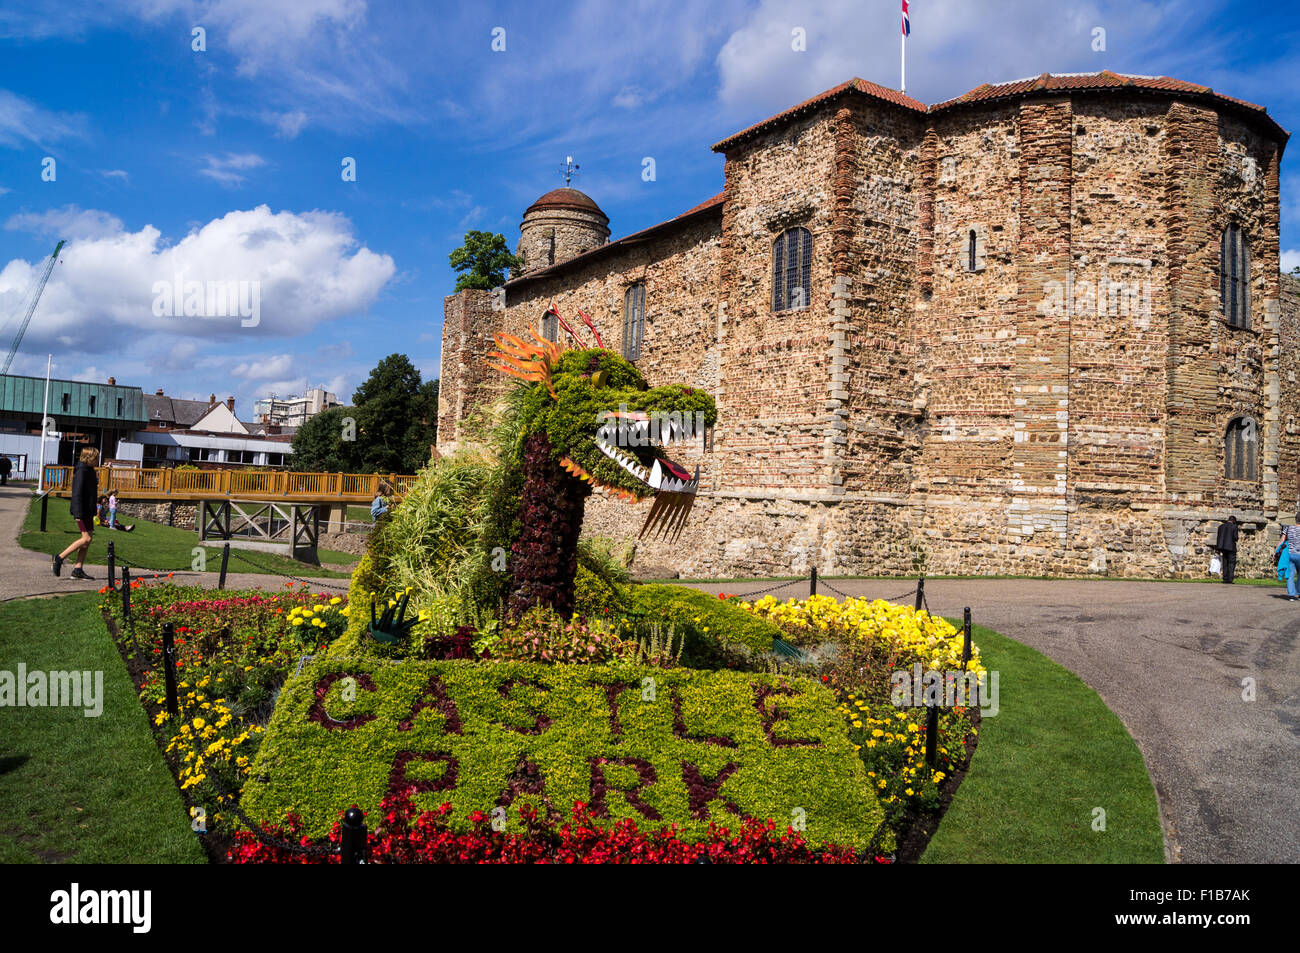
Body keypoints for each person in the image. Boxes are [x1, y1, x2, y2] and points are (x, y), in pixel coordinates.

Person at [54, 447, 100, 580]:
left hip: (88, 510)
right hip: (81, 510)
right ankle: (60, 557)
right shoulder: (81, 470)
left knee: (87, 541)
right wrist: (78, 512)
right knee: (86, 538)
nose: (97, 460)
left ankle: (78, 569)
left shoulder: (90, 471)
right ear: (89, 458)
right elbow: (77, 493)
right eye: (96, 458)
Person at [1275, 513, 1300, 601]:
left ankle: (1291, 595)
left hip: (1290, 554)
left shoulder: (1288, 528)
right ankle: (1298, 593)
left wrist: (1276, 552)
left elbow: (1282, 541)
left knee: (1290, 574)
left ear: (1295, 519)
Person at [1214, 515, 1239, 584]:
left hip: (1223, 547)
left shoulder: (1221, 527)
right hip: (1231, 547)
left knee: (1225, 563)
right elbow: (1235, 537)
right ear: (1233, 521)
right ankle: (1230, 579)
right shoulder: (1234, 526)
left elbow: (1219, 538)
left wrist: (1218, 548)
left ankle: (1225, 578)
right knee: (1231, 563)